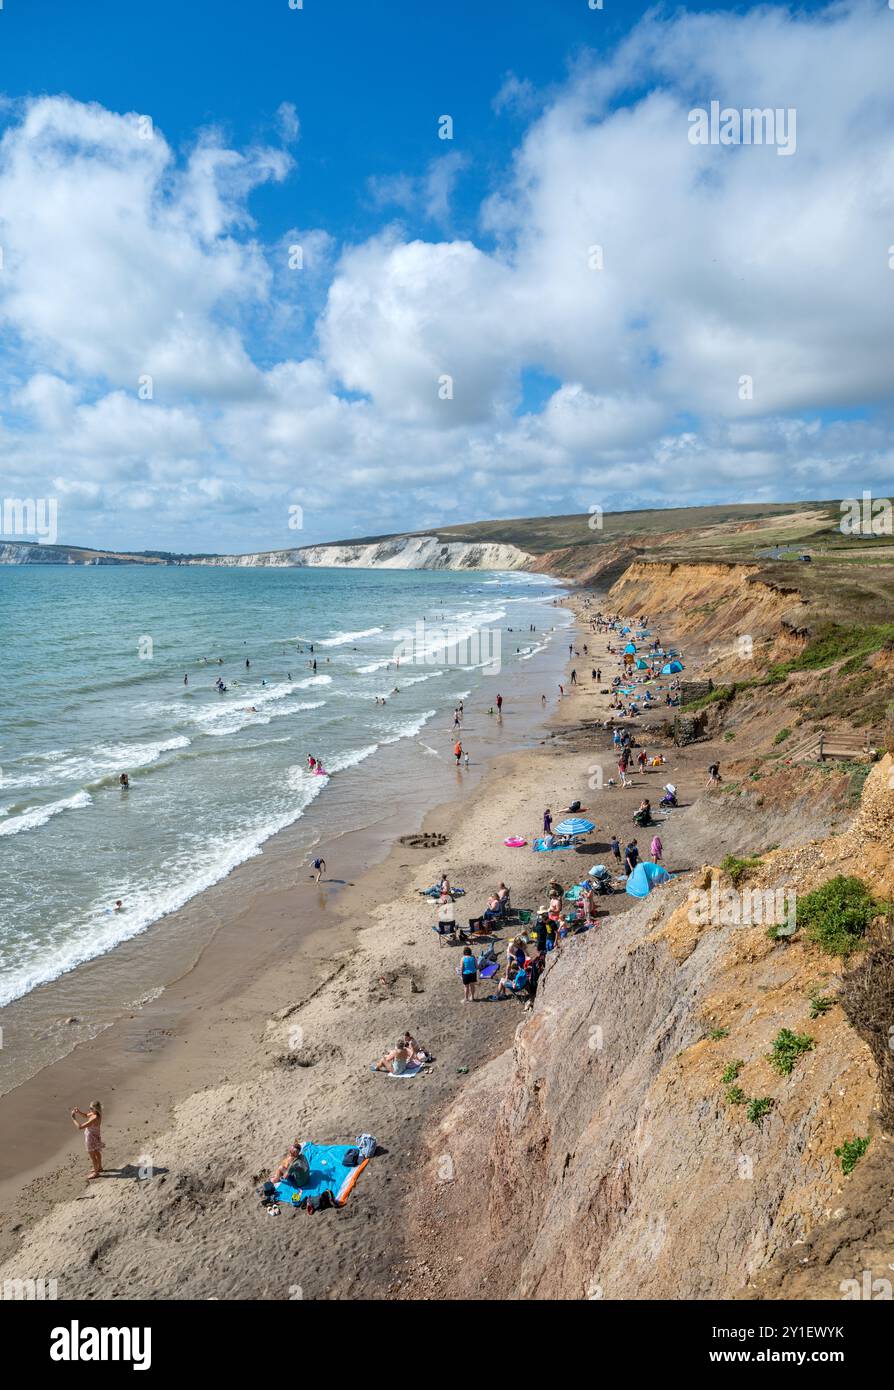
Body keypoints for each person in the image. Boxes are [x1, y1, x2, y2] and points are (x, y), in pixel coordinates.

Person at [71, 1101, 104, 1180]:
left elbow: (80, 1127)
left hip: (91, 1138)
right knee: (97, 1152)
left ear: (95, 1109)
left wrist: (73, 1118)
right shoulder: (96, 1114)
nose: (90, 1109)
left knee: (93, 1156)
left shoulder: (94, 1118)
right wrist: (79, 1112)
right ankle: (99, 1167)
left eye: (91, 1108)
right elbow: (86, 1115)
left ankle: (96, 1172)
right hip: (96, 1136)